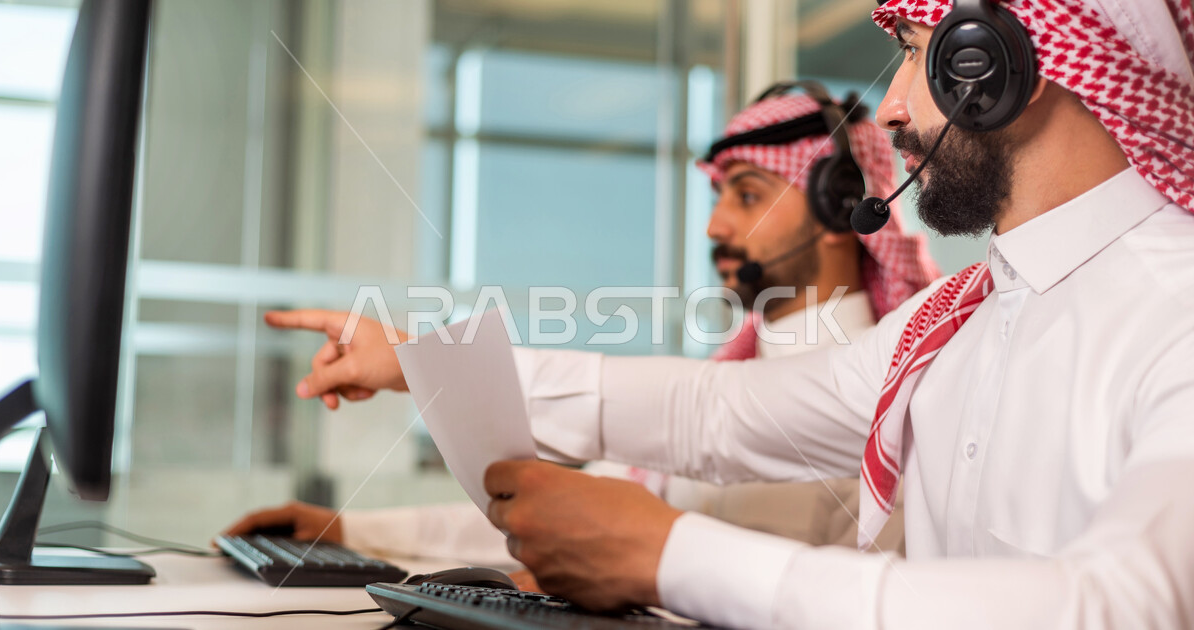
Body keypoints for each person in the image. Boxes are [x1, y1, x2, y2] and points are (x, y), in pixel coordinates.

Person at [474, 0, 1194, 627]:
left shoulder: (1177, 313)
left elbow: (1133, 604)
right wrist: (446, 369)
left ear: (997, 66)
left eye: (916, 53)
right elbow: (715, 414)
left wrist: (668, 557)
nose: (891, 108)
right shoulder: (949, 322)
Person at [223, 85, 937, 565]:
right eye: (719, 197)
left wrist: (423, 360)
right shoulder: (736, 370)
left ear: (840, 209)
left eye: (747, 196)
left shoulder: (891, 401)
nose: (714, 227)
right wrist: (346, 530)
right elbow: (553, 511)